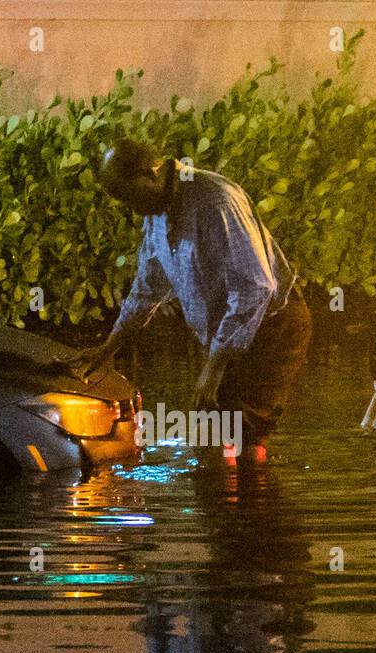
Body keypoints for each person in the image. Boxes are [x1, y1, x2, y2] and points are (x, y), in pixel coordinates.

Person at [73, 139, 311, 462]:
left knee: (241, 437)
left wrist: (214, 366)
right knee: (210, 442)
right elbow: (147, 289)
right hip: (229, 336)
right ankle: (229, 505)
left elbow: (255, 287)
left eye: (129, 196)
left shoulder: (214, 201)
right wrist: (107, 349)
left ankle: (252, 505)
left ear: (152, 172)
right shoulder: (156, 214)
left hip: (273, 327)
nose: (131, 208)